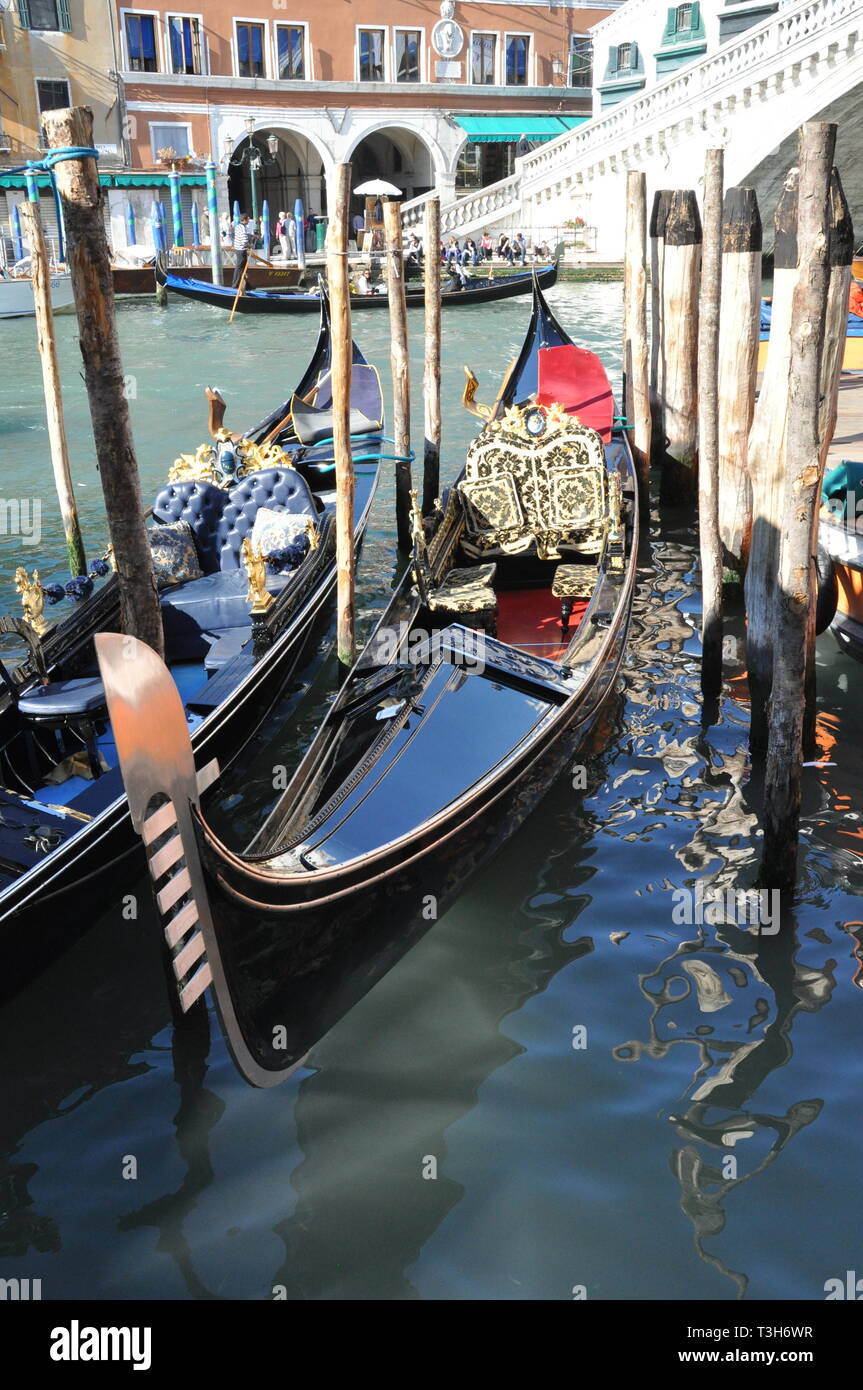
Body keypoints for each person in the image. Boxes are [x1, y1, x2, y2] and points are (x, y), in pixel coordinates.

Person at [231, 213, 257, 287]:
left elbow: (245, 235)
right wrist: (250, 246)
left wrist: (252, 236)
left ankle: (246, 285)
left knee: (243, 268)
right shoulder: (242, 228)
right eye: (248, 219)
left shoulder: (239, 226)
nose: (249, 220)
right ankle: (235, 285)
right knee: (240, 268)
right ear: (245, 220)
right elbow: (244, 241)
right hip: (241, 250)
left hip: (239, 249)